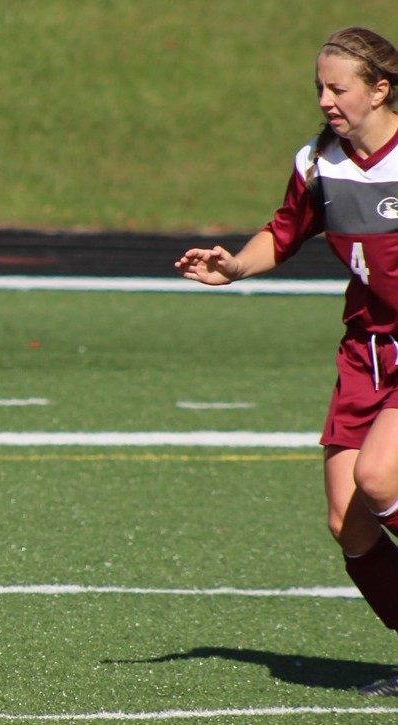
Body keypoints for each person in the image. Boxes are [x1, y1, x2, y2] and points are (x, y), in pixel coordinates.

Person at [175, 26, 398, 697]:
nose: (326, 99)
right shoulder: (318, 162)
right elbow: (283, 231)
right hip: (367, 351)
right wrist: (234, 266)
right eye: (319, 88)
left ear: (381, 88)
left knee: (381, 477)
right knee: (349, 522)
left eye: (340, 87)